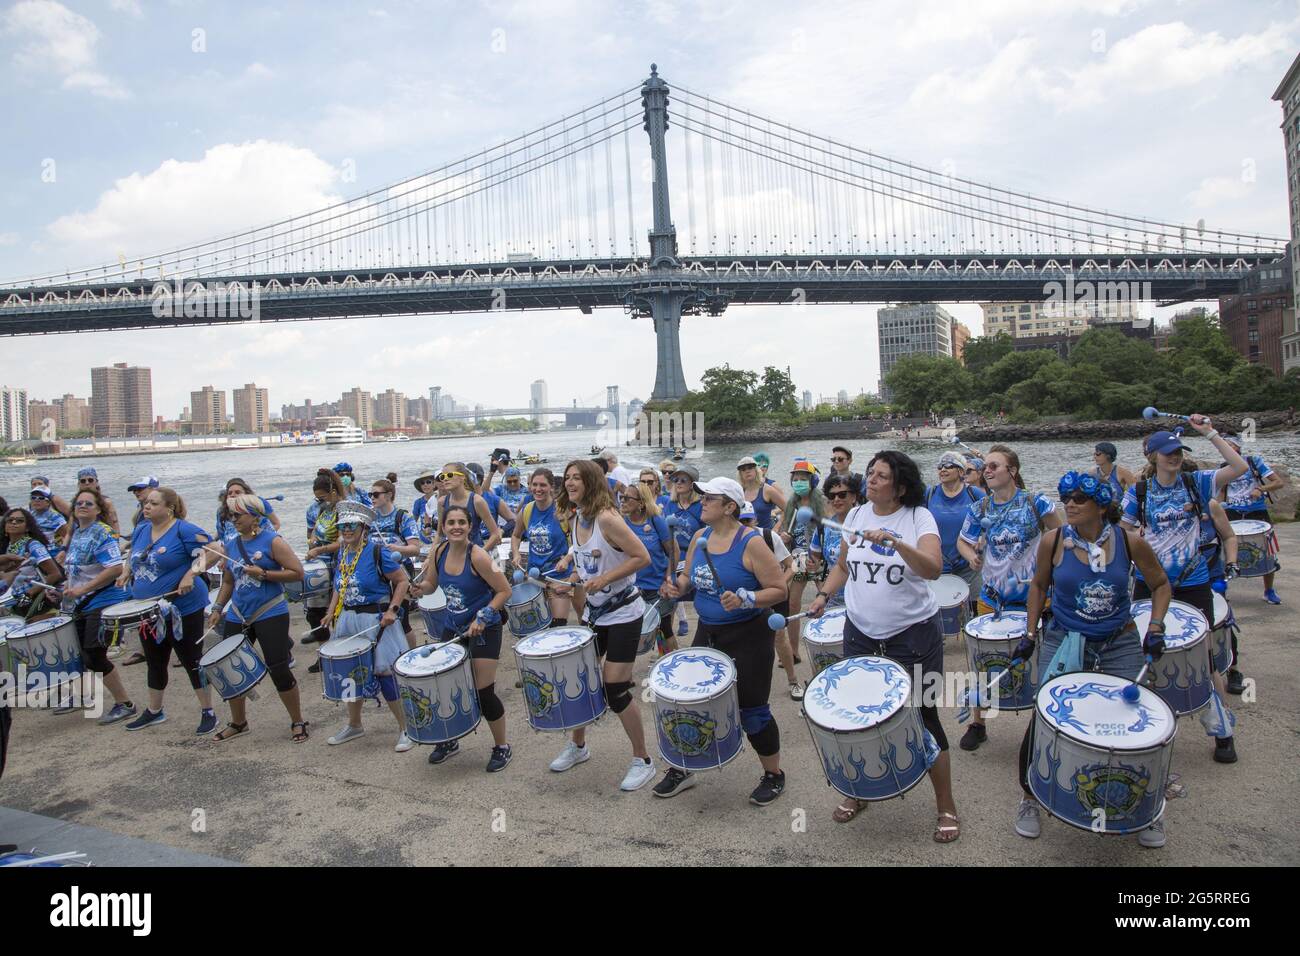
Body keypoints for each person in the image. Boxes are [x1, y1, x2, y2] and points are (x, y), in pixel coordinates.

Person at [807, 451, 959, 842]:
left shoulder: (917, 518)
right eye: (870, 473)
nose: (870, 480)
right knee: (855, 716)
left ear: (901, 486)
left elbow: (932, 568)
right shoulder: (856, 516)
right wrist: (824, 593)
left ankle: (945, 805)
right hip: (860, 633)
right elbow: (843, 564)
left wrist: (895, 542)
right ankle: (857, 793)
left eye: (881, 476)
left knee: (924, 716)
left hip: (912, 636)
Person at [1016, 470, 1172, 847]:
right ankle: (1030, 797)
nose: (1069, 504)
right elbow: (1038, 586)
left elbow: (1161, 585)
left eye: (1079, 500)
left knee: (1140, 721)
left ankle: (1150, 809)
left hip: (1118, 640)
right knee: (1048, 716)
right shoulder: (1052, 541)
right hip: (1065, 639)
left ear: (1102, 506)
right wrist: (1030, 633)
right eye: (1065, 497)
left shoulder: (1131, 542)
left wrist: (1156, 628)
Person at [1119, 418, 1248, 763]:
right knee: (1145, 654)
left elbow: (1239, 467)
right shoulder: (1139, 492)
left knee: (1204, 659)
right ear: (1152, 457)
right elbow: (1122, 531)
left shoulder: (1197, 483)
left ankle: (1222, 730)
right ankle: (1148, 729)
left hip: (1193, 583)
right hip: (1149, 584)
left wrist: (1210, 432)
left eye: (1178, 451)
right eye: (1168, 453)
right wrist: (1131, 544)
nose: (1175, 457)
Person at [657, 476, 789, 804]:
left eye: (709, 499)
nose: (701, 502)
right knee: (688, 701)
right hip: (709, 630)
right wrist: (679, 586)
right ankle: (683, 765)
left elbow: (778, 589)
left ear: (729, 507)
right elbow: (689, 578)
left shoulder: (752, 542)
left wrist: (748, 598)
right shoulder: (701, 536)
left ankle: (774, 774)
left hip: (749, 634)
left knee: (752, 710)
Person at [546, 459, 656, 792]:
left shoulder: (608, 519)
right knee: (582, 678)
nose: (569, 483)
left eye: (577, 478)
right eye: (566, 478)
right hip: (595, 615)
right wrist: (571, 582)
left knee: (615, 690)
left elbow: (641, 557)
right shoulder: (577, 518)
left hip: (624, 614)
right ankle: (579, 747)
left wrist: (606, 578)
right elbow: (585, 566)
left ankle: (643, 760)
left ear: (592, 482)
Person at [954, 444, 1061, 751]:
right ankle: (978, 723)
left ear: (1012, 471)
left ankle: (1045, 722)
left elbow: (1062, 535)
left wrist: (1049, 564)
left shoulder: (1035, 502)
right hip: (992, 598)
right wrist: (971, 556)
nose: (986, 470)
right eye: (984, 467)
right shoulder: (980, 509)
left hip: (1035, 598)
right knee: (982, 661)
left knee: (1044, 662)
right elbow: (963, 541)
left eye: (993, 466)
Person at [412, 504, 514, 771]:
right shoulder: (439, 551)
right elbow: (431, 585)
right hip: (453, 626)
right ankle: (450, 740)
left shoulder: (479, 556)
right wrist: (418, 589)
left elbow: (505, 591)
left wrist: (484, 616)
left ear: (470, 526)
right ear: (443, 527)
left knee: (484, 692)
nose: (456, 527)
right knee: (444, 687)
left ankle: (502, 746)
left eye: (462, 522)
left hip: (484, 628)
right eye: (451, 523)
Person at [206, 495, 308, 742]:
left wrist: (264, 573)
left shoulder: (273, 541)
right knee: (230, 667)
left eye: (238, 515)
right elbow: (229, 580)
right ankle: (239, 722)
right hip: (239, 613)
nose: (234, 520)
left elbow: (297, 573)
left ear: (254, 516)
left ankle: (297, 720)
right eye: (231, 516)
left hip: (270, 611)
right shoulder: (231, 543)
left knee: (278, 669)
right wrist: (218, 607)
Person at [117, 488, 218, 734]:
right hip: (148, 609)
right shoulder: (142, 529)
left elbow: (216, 551)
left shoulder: (184, 529)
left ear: (169, 508)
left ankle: (208, 711)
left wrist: (190, 574)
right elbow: (133, 554)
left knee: (191, 659)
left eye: (153, 503)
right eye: (146, 503)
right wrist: (126, 571)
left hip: (182, 608)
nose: (146, 507)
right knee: (154, 659)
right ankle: (154, 710)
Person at [322, 502, 415, 751]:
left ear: (363, 527)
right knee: (351, 674)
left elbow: (402, 581)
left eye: (351, 525)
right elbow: (338, 586)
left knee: (385, 674)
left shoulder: (376, 552)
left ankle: (406, 728)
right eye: (342, 526)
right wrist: (331, 611)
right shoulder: (342, 552)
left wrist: (392, 610)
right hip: (349, 620)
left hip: (376, 619)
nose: (346, 530)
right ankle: (354, 725)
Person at [57, 487, 137, 723]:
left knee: (94, 653)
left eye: (88, 504)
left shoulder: (102, 532)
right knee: (81, 654)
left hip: (102, 601)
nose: (82, 506)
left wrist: (82, 589)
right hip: (81, 602)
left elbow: (115, 568)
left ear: (99, 509)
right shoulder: (77, 532)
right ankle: (82, 695)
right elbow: (78, 569)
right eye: (79, 503)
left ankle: (125, 703)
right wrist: (69, 587)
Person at [742, 499, 800, 699]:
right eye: (740, 521)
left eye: (748, 520)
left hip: (773, 596)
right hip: (747, 597)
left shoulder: (769, 536)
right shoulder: (731, 540)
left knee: (779, 637)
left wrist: (779, 585)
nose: (744, 525)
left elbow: (792, 565)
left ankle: (793, 681)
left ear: (755, 519)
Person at [1218, 434, 1285, 605]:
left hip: (1257, 513)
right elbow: (1222, 493)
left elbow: (1278, 482)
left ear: (1237, 447)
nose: (1225, 449)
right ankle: (1222, 593)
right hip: (1232, 513)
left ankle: (1269, 591)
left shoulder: (1254, 462)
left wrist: (1261, 489)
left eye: (1229, 445)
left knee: (1268, 551)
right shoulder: (1224, 467)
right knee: (1226, 553)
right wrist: (1217, 508)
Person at [776, 458, 826, 671]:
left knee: (826, 600)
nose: (798, 482)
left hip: (818, 559)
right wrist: (785, 536)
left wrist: (822, 556)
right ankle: (794, 651)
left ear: (812, 480)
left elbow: (830, 530)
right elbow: (787, 530)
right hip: (798, 559)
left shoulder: (822, 502)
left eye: (803, 479)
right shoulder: (792, 504)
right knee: (793, 604)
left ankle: (827, 645)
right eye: (795, 479)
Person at [620, 478, 677, 655]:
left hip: (656, 587)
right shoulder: (621, 523)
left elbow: (673, 551)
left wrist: (668, 580)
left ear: (641, 503)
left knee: (664, 630)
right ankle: (625, 676)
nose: (622, 501)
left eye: (628, 498)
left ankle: (670, 665)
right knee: (630, 632)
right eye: (622, 497)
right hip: (631, 589)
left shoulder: (655, 520)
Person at [512, 467, 573, 624]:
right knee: (539, 625)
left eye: (543, 485)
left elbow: (580, 542)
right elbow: (516, 535)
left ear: (551, 487)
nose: (538, 489)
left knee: (557, 624)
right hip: (534, 576)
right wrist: (516, 553)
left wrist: (567, 559)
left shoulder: (562, 511)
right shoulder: (527, 510)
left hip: (560, 575)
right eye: (535, 484)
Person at [925, 452, 985, 603]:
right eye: (940, 466)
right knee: (941, 613)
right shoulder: (930, 494)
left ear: (961, 471)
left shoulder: (974, 494)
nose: (942, 469)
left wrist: (982, 537)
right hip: (938, 564)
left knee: (973, 609)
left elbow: (990, 522)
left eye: (948, 466)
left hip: (968, 564)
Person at [302, 470, 346, 661]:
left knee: (335, 611)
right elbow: (313, 532)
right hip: (319, 565)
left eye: (323, 497)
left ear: (333, 493)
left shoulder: (343, 510)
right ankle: (323, 653)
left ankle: (339, 652)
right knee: (314, 612)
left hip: (335, 564)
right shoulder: (323, 510)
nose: (321, 501)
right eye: (318, 498)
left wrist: (320, 550)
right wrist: (312, 541)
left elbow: (344, 541)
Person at [662, 464, 704, 638]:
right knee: (668, 604)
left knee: (702, 601)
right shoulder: (669, 505)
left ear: (692, 484)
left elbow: (707, 534)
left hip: (696, 557)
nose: (678, 482)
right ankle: (666, 650)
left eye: (683, 480)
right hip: (673, 558)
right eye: (675, 479)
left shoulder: (701, 505)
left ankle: (705, 641)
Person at [0, 507, 65, 619]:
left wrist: (29, 593)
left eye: (19, 520)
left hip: (40, 599)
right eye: (10, 520)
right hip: (19, 600)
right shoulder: (8, 548)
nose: (14, 522)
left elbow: (55, 574)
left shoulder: (33, 545)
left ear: (27, 527)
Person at [433, 462, 500, 553]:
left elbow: (495, 534)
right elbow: (440, 534)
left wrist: (480, 554)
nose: (445, 479)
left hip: (474, 552)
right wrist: (430, 558)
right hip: (452, 554)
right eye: (442, 477)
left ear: (462, 477)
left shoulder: (477, 501)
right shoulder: (442, 502)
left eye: (449, 475)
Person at [214, 478, 279, 544]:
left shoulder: (258, 504)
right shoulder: (221, 511)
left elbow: (275, 524)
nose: (233, 495)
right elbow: (222, 532)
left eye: (237, 492)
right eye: (229, 493)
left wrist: (255, 540)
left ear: (246, 494)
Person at [737, 456, 786, 531]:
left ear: (756, 470)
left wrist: (777, 527)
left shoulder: (767, 490)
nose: (747, 471)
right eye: (743, 470)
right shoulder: (739, 492)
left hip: (766, 535)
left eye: (750, 468)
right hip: (745, 536)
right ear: (740, 474)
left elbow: (788, 508)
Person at [75, 468, 120, 535]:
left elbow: (114, 524)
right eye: (83, 481)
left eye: (90, 480)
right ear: (79, 484)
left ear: (96, 482)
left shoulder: (106, 502)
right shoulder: (75, 503)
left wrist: (116, 540)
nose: (87, 483)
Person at [26, 485, 67, 550]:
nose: (37, 500)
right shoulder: (28, 514)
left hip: (50, 551)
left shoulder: (55, 517)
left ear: (48, 502)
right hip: (31, 549)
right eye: (33, 497)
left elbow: (67, 535)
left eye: (41, 498)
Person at [410, 469, 441, 543]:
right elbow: (413, 522)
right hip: (424, 539)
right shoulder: (418, 502)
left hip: (439, 538)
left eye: (428, 482)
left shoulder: (440, 499)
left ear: (434, 484)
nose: (425, 485)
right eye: (422, 483)